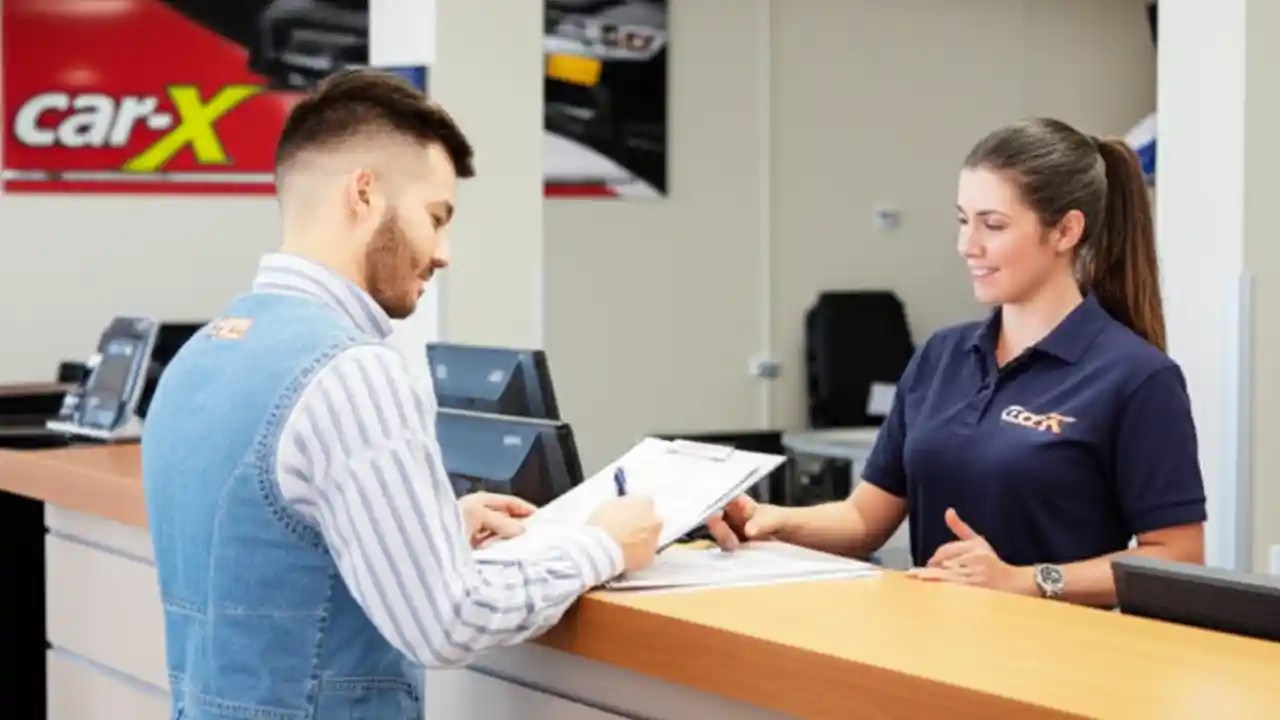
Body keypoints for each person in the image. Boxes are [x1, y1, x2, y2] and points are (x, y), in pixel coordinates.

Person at [142, 69, 662, 719]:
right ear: (364, 193)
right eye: (436, 217)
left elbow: (261, 553)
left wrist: (428, 530)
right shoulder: (353, 372)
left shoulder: (205, 353)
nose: (443, 253)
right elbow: (447, 620)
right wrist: (604, 545)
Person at [708, 117, 1206, 608]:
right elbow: (864, 521)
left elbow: (1178, 558)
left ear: (1066, 231)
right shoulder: (941, 356)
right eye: (963, 221)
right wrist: (772, 521)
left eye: (993, 225)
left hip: (1059, 664)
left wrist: (1028, 580)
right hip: (934, 650)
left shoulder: (1138, 376)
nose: (967, 246)